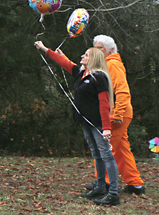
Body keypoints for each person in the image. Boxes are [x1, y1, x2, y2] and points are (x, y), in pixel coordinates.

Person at [35, 41, 120, 206]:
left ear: (93, 59)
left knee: (106, 156)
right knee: (97, 155)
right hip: (85, 122)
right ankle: (100, 187)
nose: (82, 56)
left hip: (98, 124)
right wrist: (44, 48)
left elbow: (104, 104)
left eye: (86, 55)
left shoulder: (99, 77)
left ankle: (114, 194)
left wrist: (106, 128)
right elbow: (63, 62)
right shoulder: (81, 73)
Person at [90, 35, 145, 195]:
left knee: (105, 149)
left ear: (110, 50)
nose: (96, 51)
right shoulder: (105, 64)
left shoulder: (112, 64)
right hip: (118, 114)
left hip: (117, 115)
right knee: (121, 149)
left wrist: (117, 114)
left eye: (100, 48)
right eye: (95, 47)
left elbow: (123, 90)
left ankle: (104, 184)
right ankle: (135, 184)